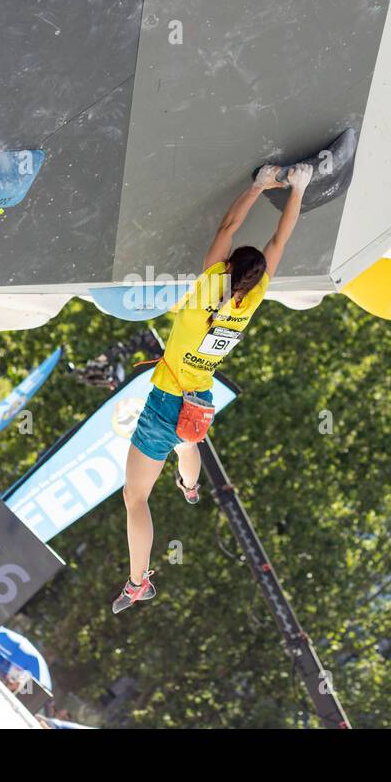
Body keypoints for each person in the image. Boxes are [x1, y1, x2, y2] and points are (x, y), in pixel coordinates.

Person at [112, 159, 314, 614]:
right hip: (198, 403)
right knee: (185, 443)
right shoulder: (252, 299)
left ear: (228, 265)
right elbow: (281, 240)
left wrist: (265, 185)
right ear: (255, 279)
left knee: (135, 496)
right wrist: (299, 192)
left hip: (175, 400)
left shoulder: (211, 280)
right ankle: (188, 488)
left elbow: (230, 223)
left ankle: (139, 579)